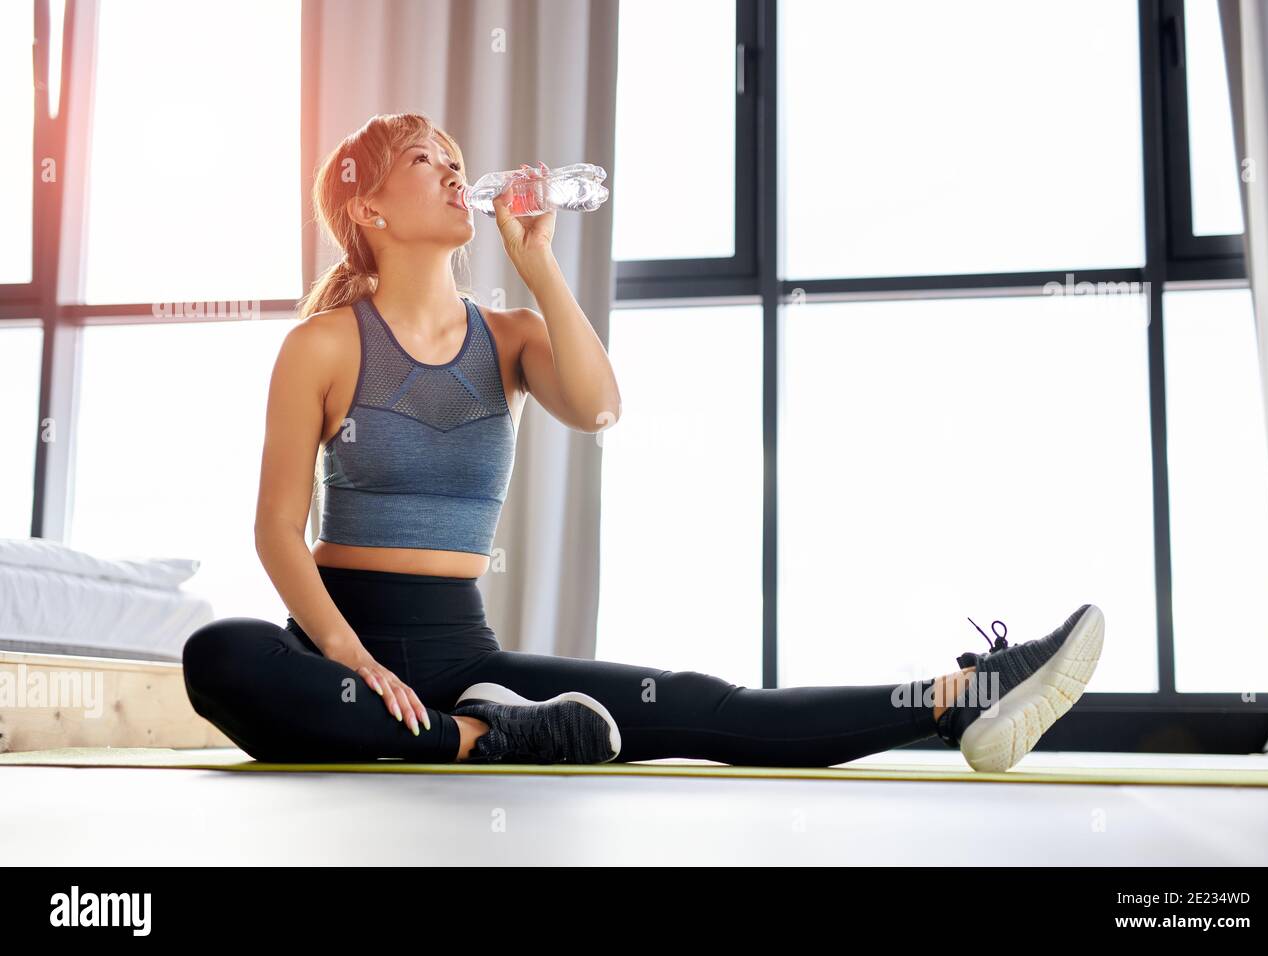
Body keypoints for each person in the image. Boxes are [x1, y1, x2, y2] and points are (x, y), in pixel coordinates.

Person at [181, 112, 1105, 773]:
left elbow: (598, 407)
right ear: (371, 209)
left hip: (465, 658)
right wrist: (352, 659)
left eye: (456, 156)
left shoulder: (507, 337)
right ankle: (482, 739)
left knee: (702, 704)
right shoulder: (324, 344)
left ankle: (956, 700)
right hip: (337, 651)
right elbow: (275, 529)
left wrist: (539, 264)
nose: (455, 172)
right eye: (426, 160)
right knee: (219, 655)